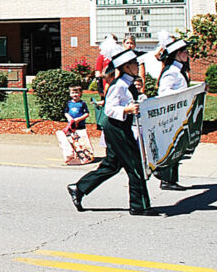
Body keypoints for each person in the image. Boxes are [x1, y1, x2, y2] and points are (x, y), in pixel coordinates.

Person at [68, 43, 158, 216]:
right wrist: (127, 110)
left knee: (112, 165)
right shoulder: (119, 85)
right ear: (125, 67)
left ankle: (78, 188)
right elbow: (109, 109)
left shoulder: (128, 83)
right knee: (134, 165)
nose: (137, 67)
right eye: (134, 64)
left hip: (121, 126)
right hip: (117, 128)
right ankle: (139, 206)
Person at [154, 36, 190, 190]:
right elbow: (164, 92)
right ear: (177, 54)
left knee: (177, 146)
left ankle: (169, 178)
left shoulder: (177, 70)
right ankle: (165, 177)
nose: (187, 54)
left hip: (178, 114)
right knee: (172, 145)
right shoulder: (171, 72)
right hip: (171, 115)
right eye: (185, 51)